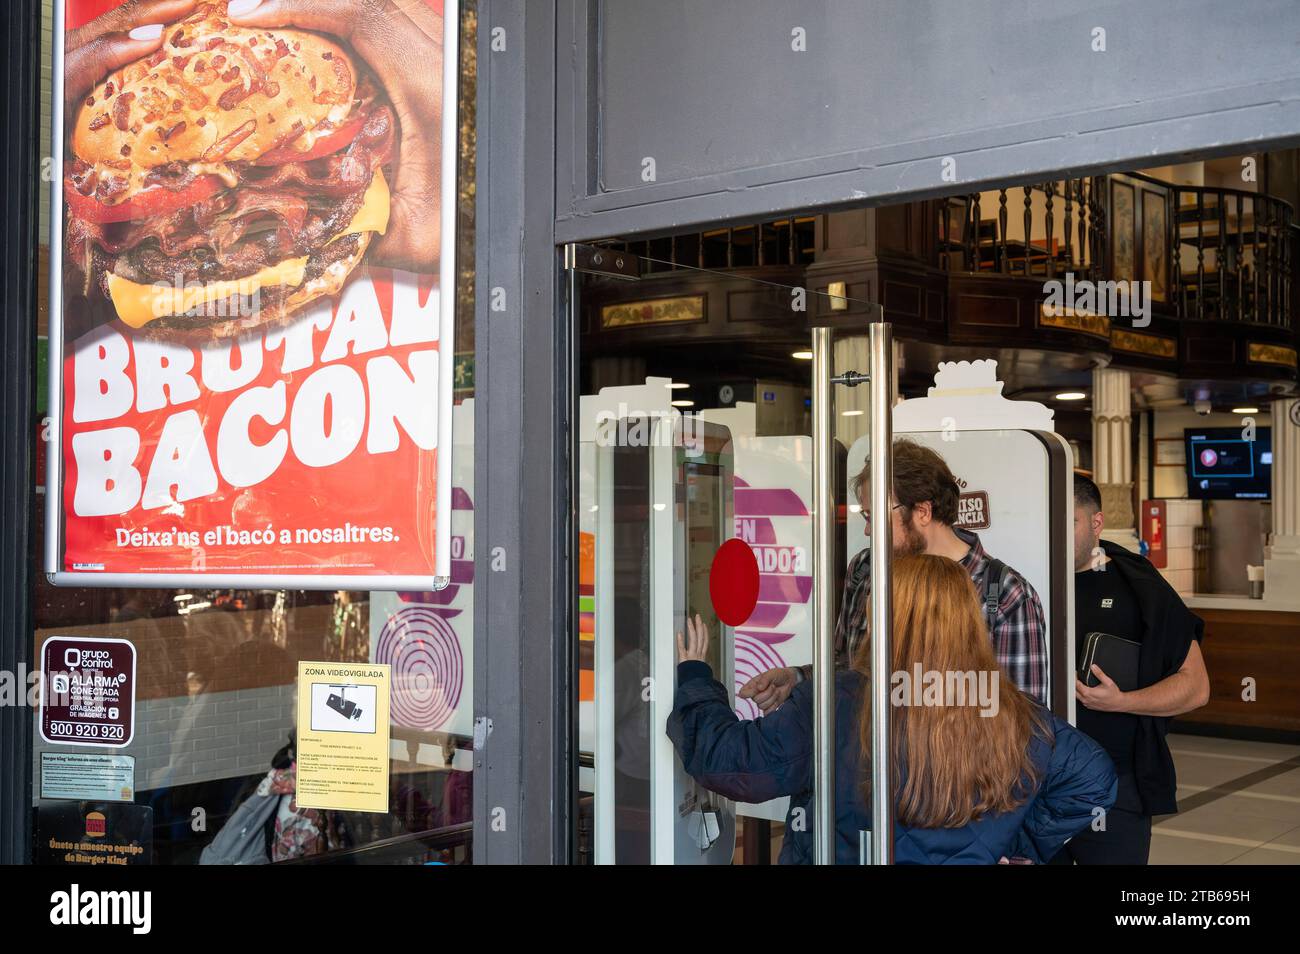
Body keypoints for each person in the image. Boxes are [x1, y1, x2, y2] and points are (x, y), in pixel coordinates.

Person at [668, 554, 1117, 864]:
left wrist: (694, 675)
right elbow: (1093, 778)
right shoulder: (1011, 710)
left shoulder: (839, 702)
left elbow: (730, 761)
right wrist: (1013, 843)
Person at [741, 439, 1049, 710]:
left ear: (923, 512)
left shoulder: (1005, 594)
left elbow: (1024, 720)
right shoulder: (865, 569)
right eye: (865, 516)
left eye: (874, 516)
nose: (867, 530)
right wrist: (797, 678)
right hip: (865, 756)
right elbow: (849, 665)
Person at [1050, 474, 1210, 865]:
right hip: (1036, 783)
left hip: (1114, 786)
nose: (1056, 533)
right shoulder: (1026, 582)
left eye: (1069, 522)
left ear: (1096, 523)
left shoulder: (1140, 588)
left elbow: (1196, 687)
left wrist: (1121, 701)